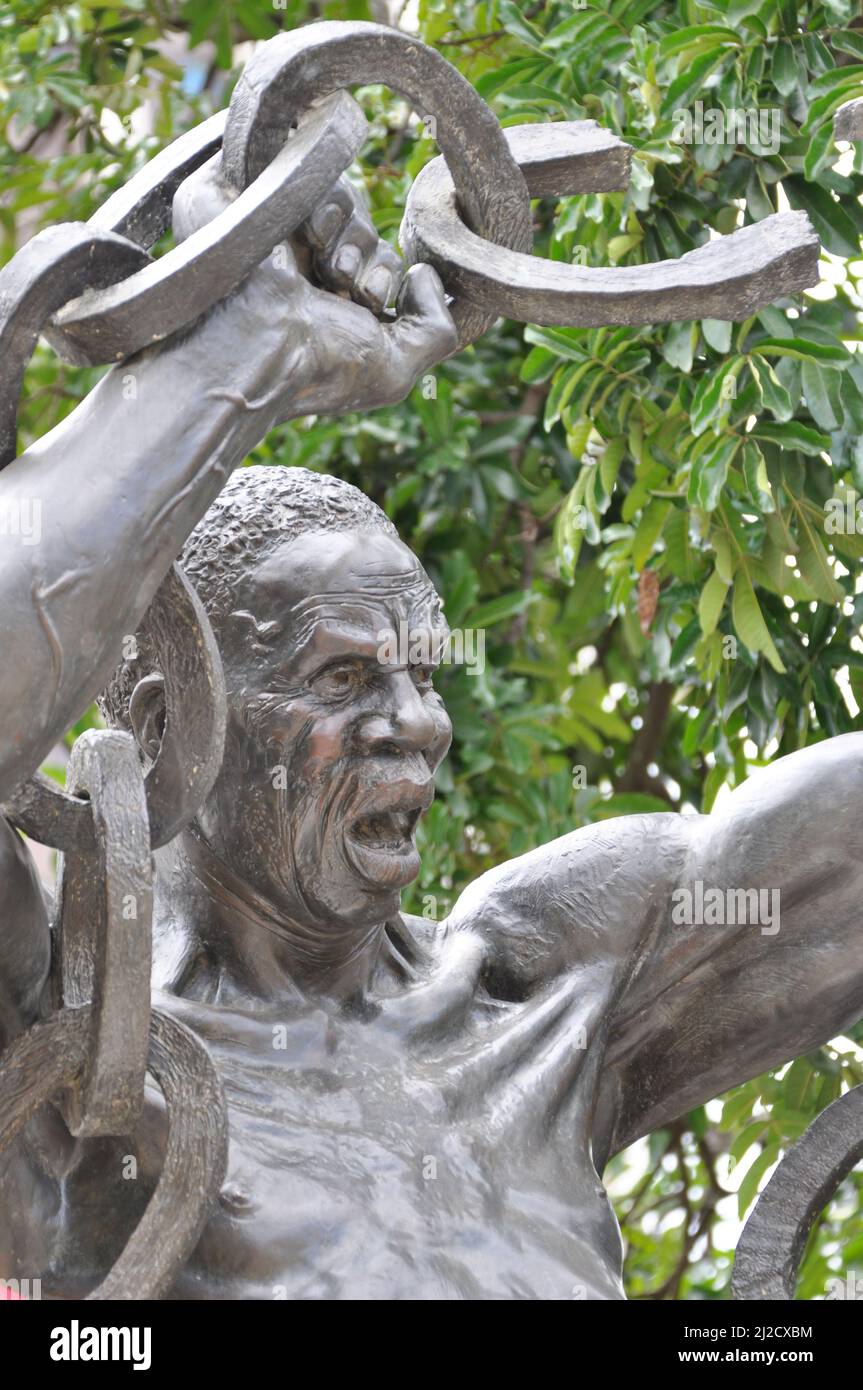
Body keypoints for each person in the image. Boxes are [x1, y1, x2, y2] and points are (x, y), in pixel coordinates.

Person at [1, 164, 861, 1301]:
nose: (413, 723)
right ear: (171, 728)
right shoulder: (62, 1031)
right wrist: (238, 357)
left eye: (420, 674)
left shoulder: (537, 990)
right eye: (345, 676)